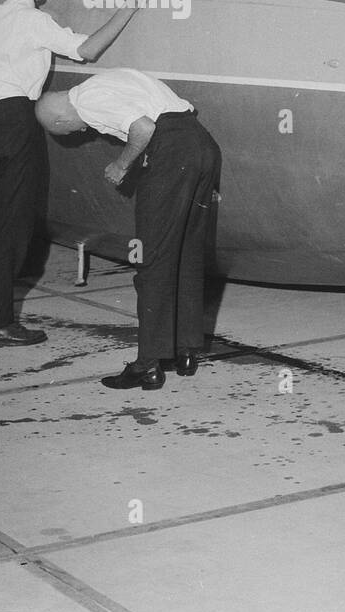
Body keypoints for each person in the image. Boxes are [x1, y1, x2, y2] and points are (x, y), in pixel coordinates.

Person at [0, 0, 136, 347]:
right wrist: (128, 9)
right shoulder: (34, 20)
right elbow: (88, 50)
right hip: (14, 121)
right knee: (16, 224)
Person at [37, 70, 220, 391]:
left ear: (60, 123)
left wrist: (121, 165)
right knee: (186, 253)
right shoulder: (107, 80)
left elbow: (144, 128)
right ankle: (185, 350)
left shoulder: (88, 100)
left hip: (171, 151)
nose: (82, 132)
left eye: (68, 132)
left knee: (152, 259)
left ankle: (148, 364)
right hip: (202, 145)